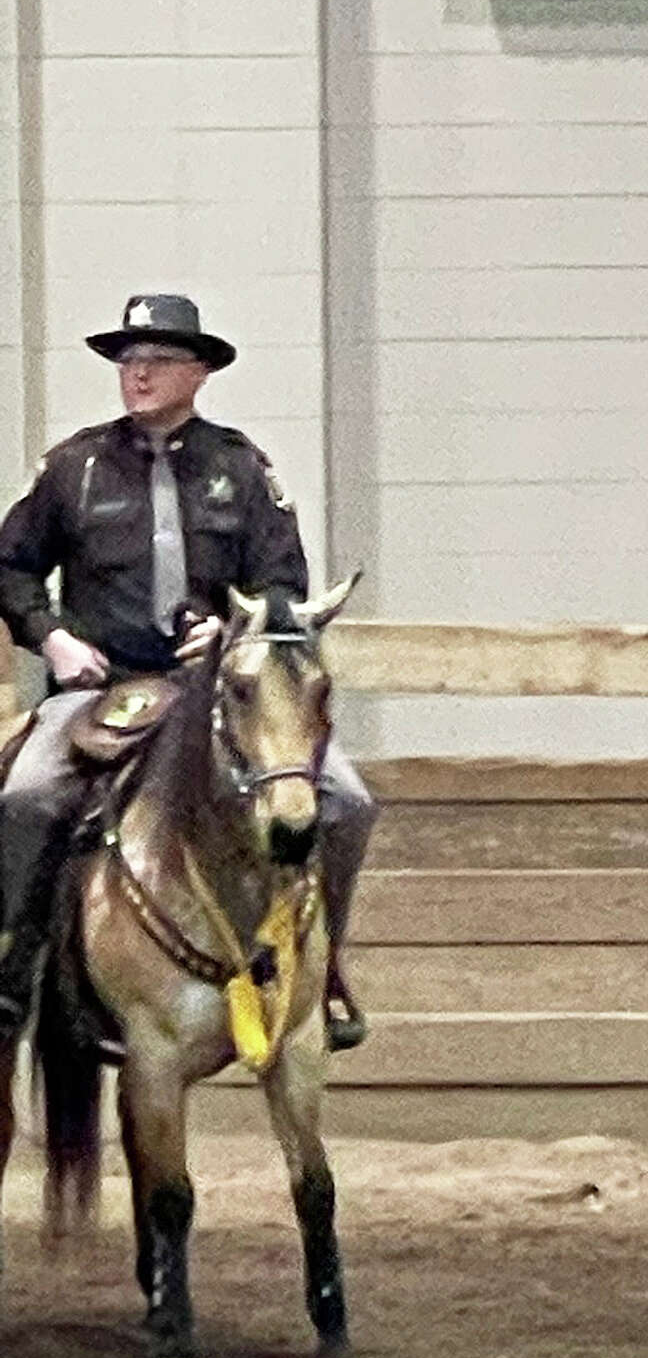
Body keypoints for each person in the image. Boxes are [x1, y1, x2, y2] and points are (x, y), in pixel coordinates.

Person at [0, 293, 376, 1051]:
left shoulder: (241, 470)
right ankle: (18, 968)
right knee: (29, 792)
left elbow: (282, 581)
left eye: (157, 360)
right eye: (128, 361)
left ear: (198, 372)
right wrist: (54, 638)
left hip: (219, 689)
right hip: (100, 689)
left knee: (346, 802)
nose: (136, 374)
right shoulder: (74, 467)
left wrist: (233, 626)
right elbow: (12, 567)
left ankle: (324, 967)